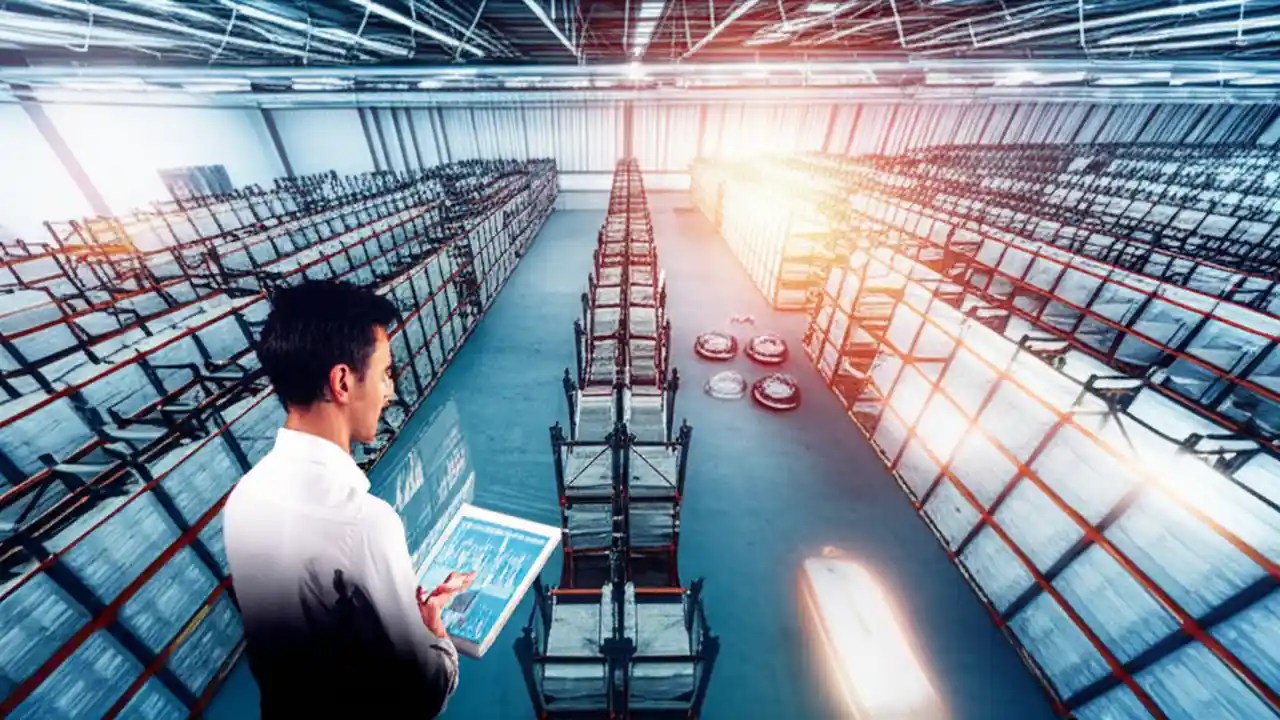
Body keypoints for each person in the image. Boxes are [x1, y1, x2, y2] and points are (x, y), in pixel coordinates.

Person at [225, 279, 475, 718]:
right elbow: (422, 691)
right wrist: (434, 633)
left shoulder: (246, 495)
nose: (388, 391)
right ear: (342, 380)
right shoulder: (363, 522)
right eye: (383, 374)